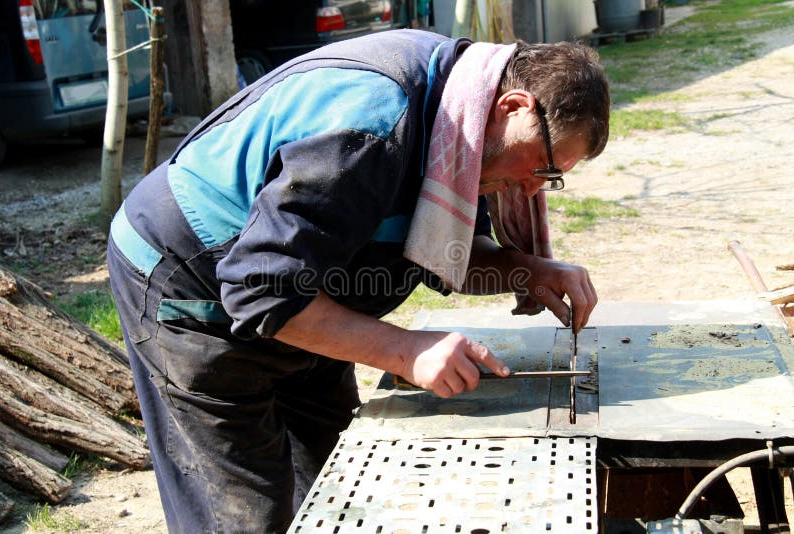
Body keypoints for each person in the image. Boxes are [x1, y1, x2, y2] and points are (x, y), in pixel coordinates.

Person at [107, 29, 609, 533]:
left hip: (307, 288)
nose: (530, 189)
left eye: (551, 180)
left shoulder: (464, 119)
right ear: (515, 106)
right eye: (542, 168)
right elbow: (261, 290)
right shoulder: (371, 124)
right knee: (247, 512)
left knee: (337, 490)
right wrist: (406, 351)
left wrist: (525, 268)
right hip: (192, 283)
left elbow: (444, 253)